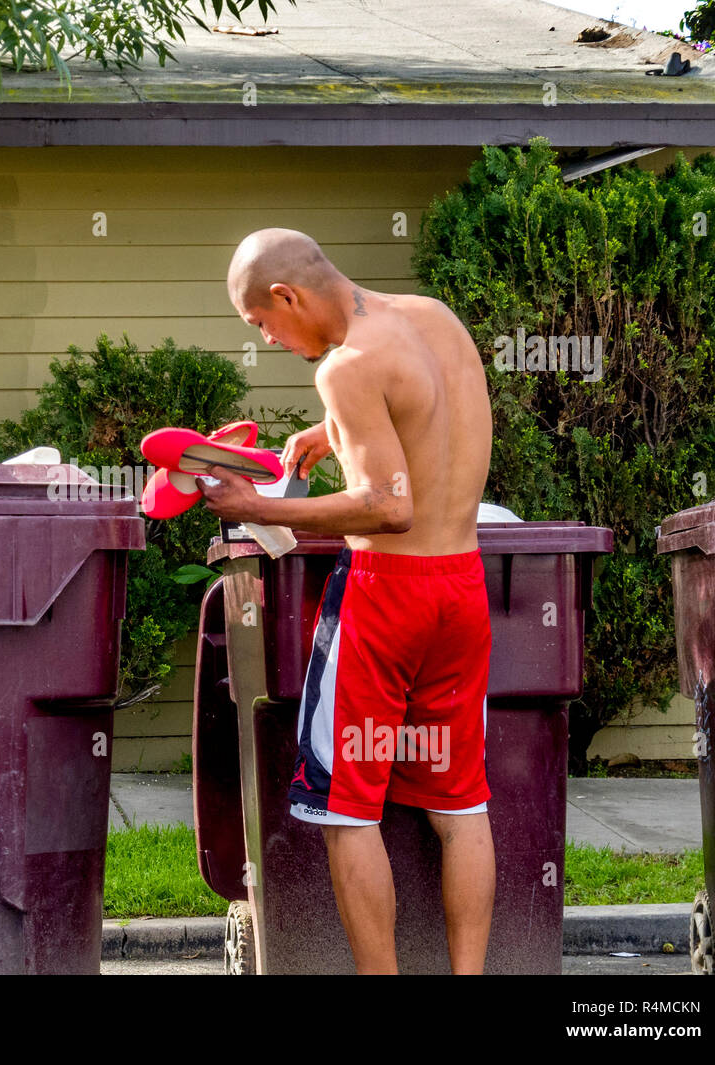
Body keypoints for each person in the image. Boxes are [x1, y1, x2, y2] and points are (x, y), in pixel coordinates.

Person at [197, 227, 495, 974]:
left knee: (345, 809)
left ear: (287, 295)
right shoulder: (433, 319)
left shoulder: (345, 368)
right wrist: (331, 433)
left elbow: (386, 508)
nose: (266, 337)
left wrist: (255, 509)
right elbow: (429, 425)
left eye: (261, 322)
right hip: (461, 588)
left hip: (387, 598)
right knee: (460, 806)